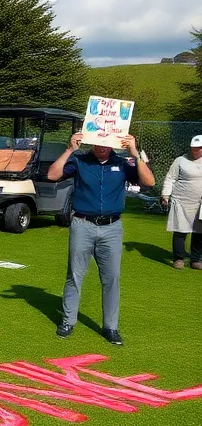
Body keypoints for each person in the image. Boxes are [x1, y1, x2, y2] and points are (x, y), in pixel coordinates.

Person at [47, 131, 154, 345]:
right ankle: (68, 321)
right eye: (98, 142)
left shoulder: (122, 163)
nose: (102, 146)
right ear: (92, 142)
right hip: (82, 224)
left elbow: (149, 181)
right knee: (75, 275)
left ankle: (111, 327)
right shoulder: (79, 160)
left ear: (113, 144)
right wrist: (70, 149)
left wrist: (134, 152)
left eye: (106, 143)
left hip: (112, 227)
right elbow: (52, 175)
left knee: (111, 278)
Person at [160, 134, 202, 270]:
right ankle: (178, 258)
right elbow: (170, 178)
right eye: (193, 148)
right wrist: (165, 195)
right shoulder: (180, 160)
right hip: (181, 201)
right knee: (180, 230)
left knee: (199, 231)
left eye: (198, 148)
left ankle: (196, 260)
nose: (195, 151)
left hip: (200, 204)